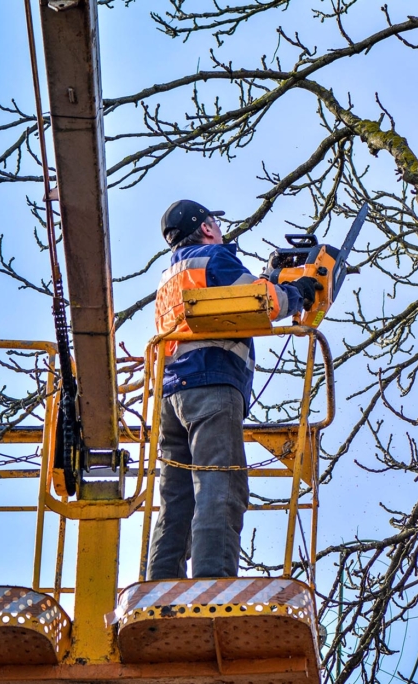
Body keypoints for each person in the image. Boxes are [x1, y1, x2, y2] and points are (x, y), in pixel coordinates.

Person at [147, 199, 320, 580]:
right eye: (216, 223)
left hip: (173, 394)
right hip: (211, 386)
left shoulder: (170, 276)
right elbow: (263, 302)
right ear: (207, 227)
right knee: (219, 484)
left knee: (176, 500)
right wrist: (300, 291)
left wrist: (269, 279)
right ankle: (213, 585)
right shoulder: (213, 259)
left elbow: (234, 303)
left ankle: (159, 586)